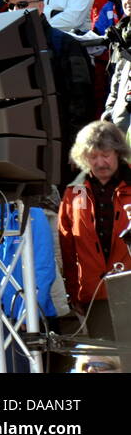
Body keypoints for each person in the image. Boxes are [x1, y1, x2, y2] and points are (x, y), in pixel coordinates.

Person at [59, 121, 131, 337]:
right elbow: (68, 250)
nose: (100, 162)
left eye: (106, 154)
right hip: (95, 297)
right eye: (93, 156)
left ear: (118, 153)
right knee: (107, 364)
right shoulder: (73, 193)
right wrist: (74, 293)